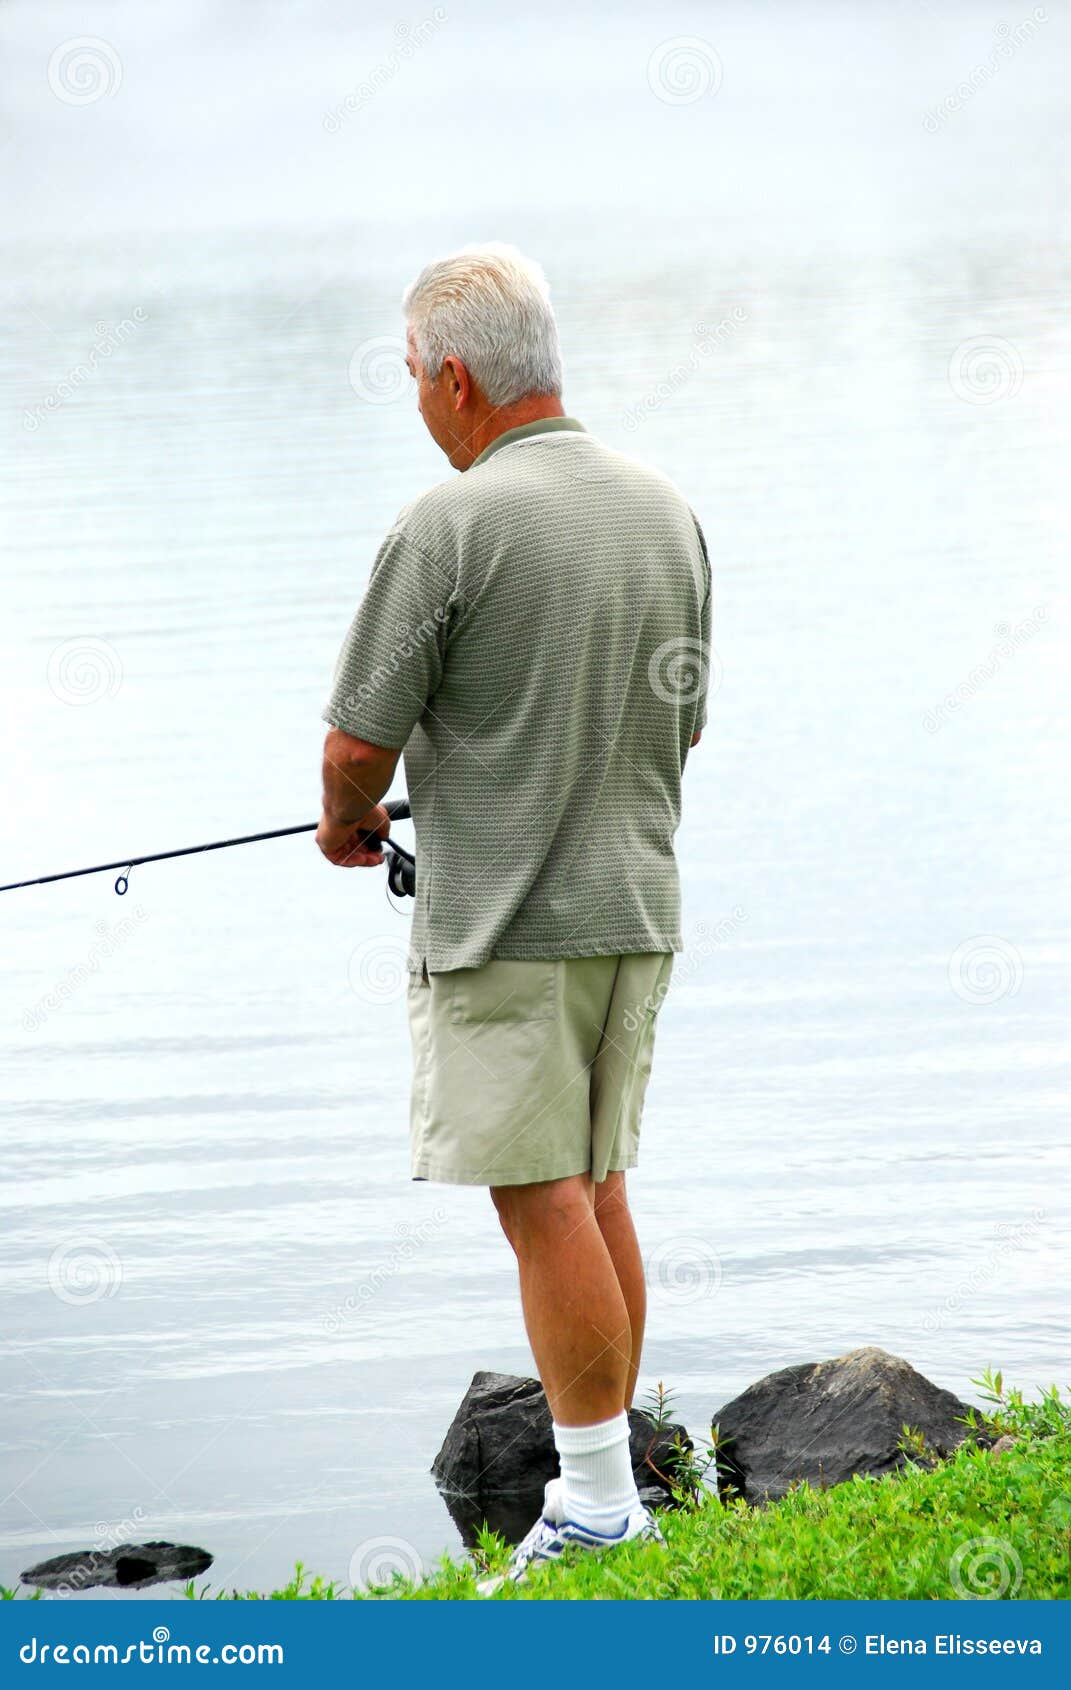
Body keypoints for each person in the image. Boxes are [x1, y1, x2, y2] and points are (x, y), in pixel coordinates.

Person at [316, 244, 711, 1582]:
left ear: (462, 379)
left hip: (509, 928)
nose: (424, 406)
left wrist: (343, 820)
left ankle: (598, 1504)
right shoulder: (667, 510)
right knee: (598, 1191)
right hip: (637, 911)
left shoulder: (450, 522)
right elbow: (682, 720)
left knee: (544, 1202)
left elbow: (356, 747)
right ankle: (617, 1488)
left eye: (422, 381)